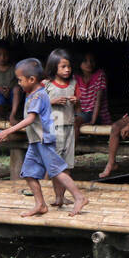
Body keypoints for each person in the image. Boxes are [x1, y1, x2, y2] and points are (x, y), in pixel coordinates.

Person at [0, 59, 88, 217]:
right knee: (29, 173)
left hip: (43, 140)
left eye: (20, 80)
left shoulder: (39, 96)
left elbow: (30, 119)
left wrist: (8, 131)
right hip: (35, 141)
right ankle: (40, 204)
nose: (19, 83)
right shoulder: (31, 93)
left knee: (57, 170)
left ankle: (80, 197)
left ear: (31, 80)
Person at [44, 50, 80, 204]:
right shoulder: (46, 85)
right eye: (63, 67)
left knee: (67, 164)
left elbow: (79, 108)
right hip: (53, 128)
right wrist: (52, 102)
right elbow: (34, 104)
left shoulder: (73, 84)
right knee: (56, 163)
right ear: (53, 68)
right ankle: (57, 195)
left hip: (69, 127)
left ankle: (61, 196)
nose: (67, 70)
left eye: (69, 66)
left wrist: (76, 101)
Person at [76, 51, 111, 129]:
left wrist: (93, 121)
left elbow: (98, 100)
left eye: (92, 61)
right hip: (83, 114)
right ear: (79, 63)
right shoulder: (76, 78)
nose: (89, 64)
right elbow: (77, 100)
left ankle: (71, 142)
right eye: (85, 61)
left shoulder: (100, 75)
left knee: (75, 122)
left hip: (97, 115)